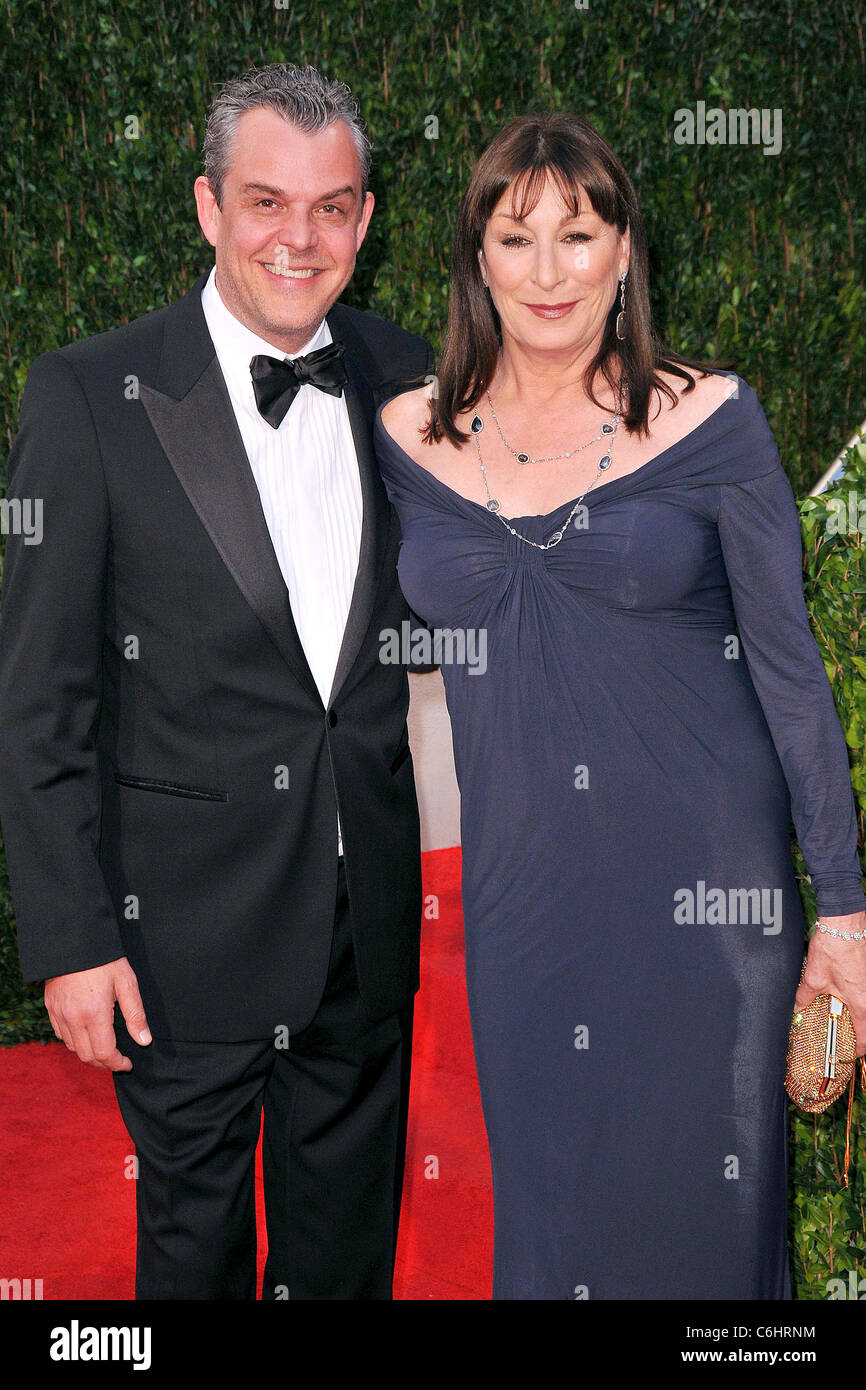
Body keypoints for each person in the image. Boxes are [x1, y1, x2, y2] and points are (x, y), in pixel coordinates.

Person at [376, 111, 866, 1300]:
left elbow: (792, 678)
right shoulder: (403, 436)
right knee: (550, 1218)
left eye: (577, 233)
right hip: (523, 899)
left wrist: (844, 915)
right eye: (514, 236)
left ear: (623, 252)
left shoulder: (711, 418)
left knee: (705, 1221)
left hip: (702, 901)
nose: (547, 270)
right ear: (475, 259)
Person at [0, 63, 433, 1300]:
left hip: (364, 915)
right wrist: (72, 938)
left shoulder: (410, 381)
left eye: (333, 206)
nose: (300, 238)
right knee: (189, 1251)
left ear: (363, 217)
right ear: (205, 206)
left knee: (344, 1248)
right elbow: (37, 697)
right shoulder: (86, 394)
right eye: (265, 202)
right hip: (176, 933)